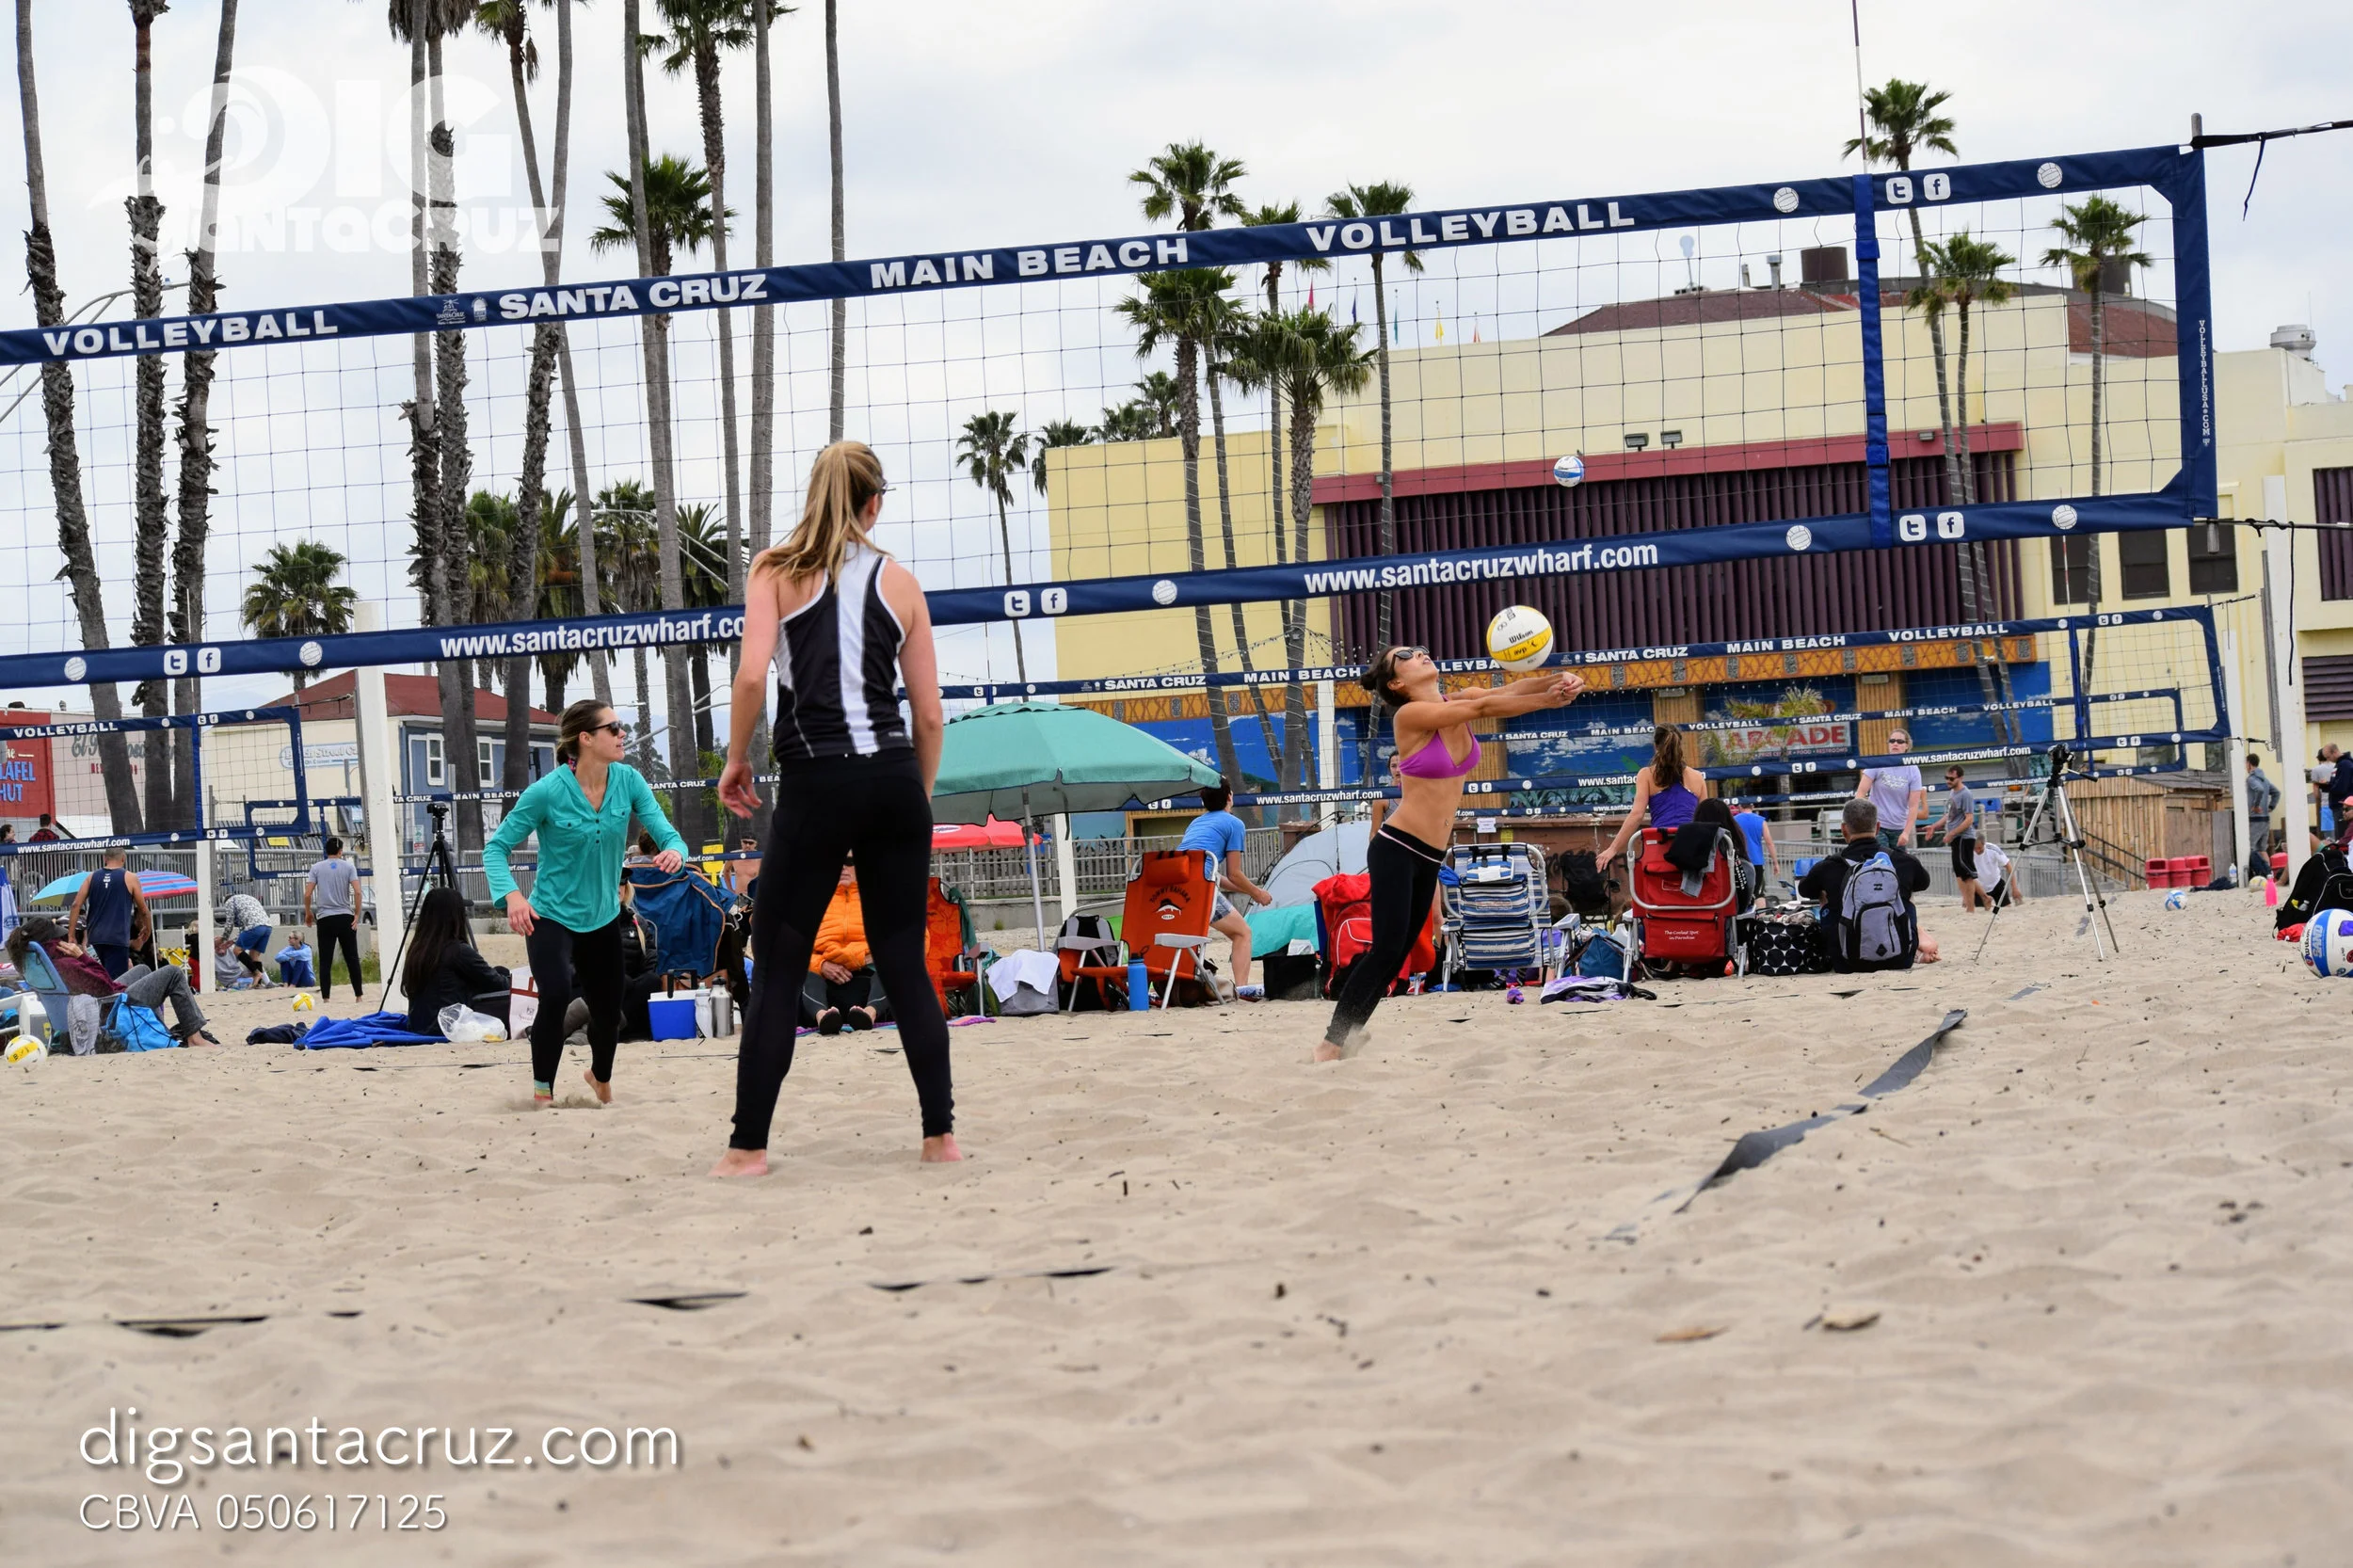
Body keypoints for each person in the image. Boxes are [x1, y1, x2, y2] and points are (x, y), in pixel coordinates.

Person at [712, 440, 958, 1175]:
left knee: (778, 966)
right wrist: (915, 797)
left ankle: (748, 1150)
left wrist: (736, 757)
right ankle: (939, 1137)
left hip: (816, 779)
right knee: (903, 959)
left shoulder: (774, 570)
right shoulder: (901, 583)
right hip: (892, 778)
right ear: (874, 504)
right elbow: (931, 717)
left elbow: (751, 678)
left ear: (813, 493)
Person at [1320, 646, 1585, 1063]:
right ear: (1397, 682)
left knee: (1397, 954)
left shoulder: (1453, 701)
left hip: (1429, 855)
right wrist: (1547, 701)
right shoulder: (1410, 716)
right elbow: (1484, 707)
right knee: (1386, 950)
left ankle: (1348, 1033)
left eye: (1420, 650)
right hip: (1397, 848)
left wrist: (1558, 681)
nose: (1421, 653)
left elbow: (1506, 691)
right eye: (1407, 655)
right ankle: (1332, 1043)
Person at [486, 700, 686, 1106]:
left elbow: (668, 835)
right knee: (556, 994)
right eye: (613, 728)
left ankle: (599, 1077)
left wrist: (676, 852)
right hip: (550, 915)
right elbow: (496, 849)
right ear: (586, 739)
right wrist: (512, 897)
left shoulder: (628, 781)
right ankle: (543, 1093)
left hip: (602, 917)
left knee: (609, 1012)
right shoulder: (546, 792)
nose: (622, 733)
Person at [8, 917, 216, 1046]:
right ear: (50, 942)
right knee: (173, 973)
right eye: (58, 938)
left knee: (143, 970)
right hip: (111, 1010)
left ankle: (157, 1031)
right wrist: (83, 957)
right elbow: (105, 986)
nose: (62, 940)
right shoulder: (66, 965)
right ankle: (194, 1037)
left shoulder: (40, 965)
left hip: (90, 1010)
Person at [1798, 798, 1939, 968]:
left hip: (1846, 962)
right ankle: (1907, 941)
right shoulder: (1904, 862)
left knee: (1823, 893)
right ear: (1877, 827)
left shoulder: (1828, 867)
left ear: (1844, 829)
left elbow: (1804, 890)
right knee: (1907, 892)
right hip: (1901, 958)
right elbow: (1924, 883)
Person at [1179, 779, 1273, 999]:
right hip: (1200, 887)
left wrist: (1248, 891)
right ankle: (1242, 990)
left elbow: (1216, 875)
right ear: (1230, 797)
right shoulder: (1234, 823)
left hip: (1178, 883)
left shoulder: (1196, 823)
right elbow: (1234, 873)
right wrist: (1258, 893)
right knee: (1242, 933)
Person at [400, 888, 513, 1038]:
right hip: (447, 1027)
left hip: (418, 1025)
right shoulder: (458, 951)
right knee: (504, 978)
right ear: (455, 916)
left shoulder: (417, 950)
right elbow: (498, 984)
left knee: (497, 972)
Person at [799, 860, 896, 1033]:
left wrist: (869, 957)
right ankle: (824, 1018)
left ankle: (869, 1015)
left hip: (870, 976)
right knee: (805, 974)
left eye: (849, 861)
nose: (842, 866)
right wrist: (821, 964)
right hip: (822, 980)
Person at [1599, 726, 1708, 870]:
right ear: (1679, 745)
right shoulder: (1698, 777)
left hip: (1659, 848)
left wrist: (1613, 849)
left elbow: (1637, 815)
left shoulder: (1647, 775)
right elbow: (1706, 818)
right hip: (1691, 850)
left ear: (1655, 746)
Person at [66, 847, 150, 979]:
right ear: (123, 858)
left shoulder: (92, 877)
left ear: (104, 858)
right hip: (117, 937)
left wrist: (71, 935)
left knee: (101, 976)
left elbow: (76, 904)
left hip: (95, 937)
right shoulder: (130, 877)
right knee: (116, 981)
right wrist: (147, 929)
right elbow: (143, 910)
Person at [304, 836, 366, 1001]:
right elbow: (358, 892)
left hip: (325, 918)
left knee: (325, 960)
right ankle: (358, 996)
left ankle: (326, 998)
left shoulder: (316, 868)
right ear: (340, 851)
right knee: (352, 958)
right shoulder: (349, 867)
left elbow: (307, 894)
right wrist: (357, 914)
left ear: (326, 851)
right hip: (345, 916)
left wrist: (308, 912)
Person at [1856, 728, 1926, 853]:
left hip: (1899, 827)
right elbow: (1860, 793)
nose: (1895, 744)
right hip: (1878, 824)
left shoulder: (1913, 769)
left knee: (1899, 861)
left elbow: (1914, 806)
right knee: (1883, 857)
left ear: (1907, 746)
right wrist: (1864, 818)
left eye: (1900, 741)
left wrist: (1906, 832)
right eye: (1892, 741)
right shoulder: (1878, 762)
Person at [1929, 766, 1985, 909]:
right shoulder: (1953, 792)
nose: (1948, 781)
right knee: (1960, 873)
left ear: (1960, 778)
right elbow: (1950, 815)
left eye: (1951, 778)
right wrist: (1934, 826)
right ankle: (1984, 898)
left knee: (1967, 874)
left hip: (1964, 838)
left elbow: (1969, 819)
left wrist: (1952, 833)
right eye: (1946, 778)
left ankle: (1971, 907)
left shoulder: (1965, 794)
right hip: (1956, 838)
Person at [1691, 797, 1757, 909]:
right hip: (1725, 913)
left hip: (1688, 912)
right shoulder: (1735, 861)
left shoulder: (1684, 857)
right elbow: (1743, 901)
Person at [219, 888, 273, 983]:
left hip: (254, 926)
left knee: (237, 950)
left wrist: (223, 939)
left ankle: (256, 973)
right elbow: (243, 928)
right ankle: (259, 983)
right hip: (267, 927)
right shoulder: (248, 898)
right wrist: (233, 941)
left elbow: (229, 923)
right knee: (254, 955)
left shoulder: (229, 902)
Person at [1728, 801, 1780, 896]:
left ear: (1740, 807)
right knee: (1757, 894)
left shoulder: (1734, 820)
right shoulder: (1761, 821)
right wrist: (1775, 863)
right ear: (1752, 807)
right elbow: (1769, 843)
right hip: (1756, 861)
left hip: (1739, 860)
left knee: (1739, 893)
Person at [2245, 752, 2281, 875]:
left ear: (2249, 764)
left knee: (2250, 849)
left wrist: (2255, 806)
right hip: (2265, 819)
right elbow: (2277, 792)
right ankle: (2270, 876)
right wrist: (2271, 806)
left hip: (2255, 820)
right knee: (2262, 849)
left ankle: (2255, 875)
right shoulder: (2265, 780)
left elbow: (2259, 789)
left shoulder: (2251, 779)